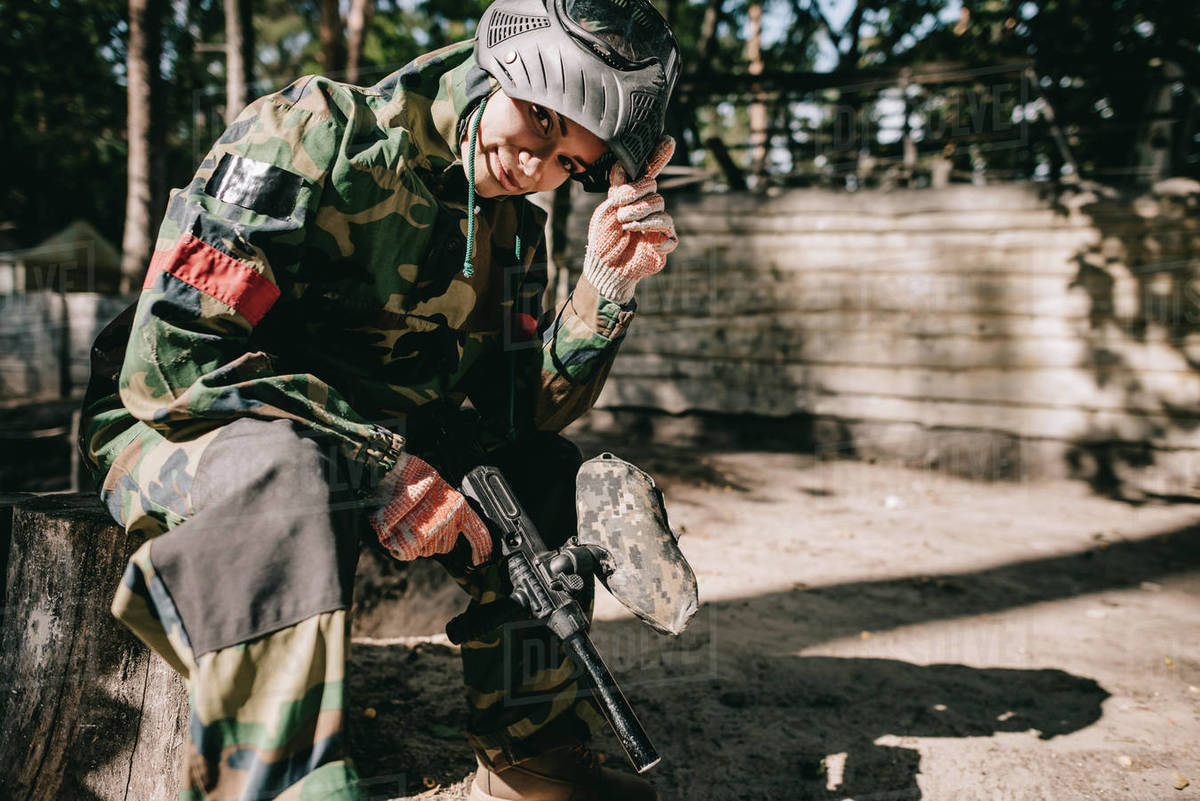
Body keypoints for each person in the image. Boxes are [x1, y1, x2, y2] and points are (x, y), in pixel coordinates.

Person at [77, 0, 680, 798]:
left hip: (374, 445)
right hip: (185, 426)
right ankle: (281, 777)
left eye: (570, 162)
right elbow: (176, 358)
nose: (536, 166)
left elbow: (510, 418)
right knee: (284, 470)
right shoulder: (316, 132)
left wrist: (603, 287)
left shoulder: (514, 234)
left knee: (542, 474)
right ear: (497, 66)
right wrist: (376, 459)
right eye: (541, 118)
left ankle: (531, 753)